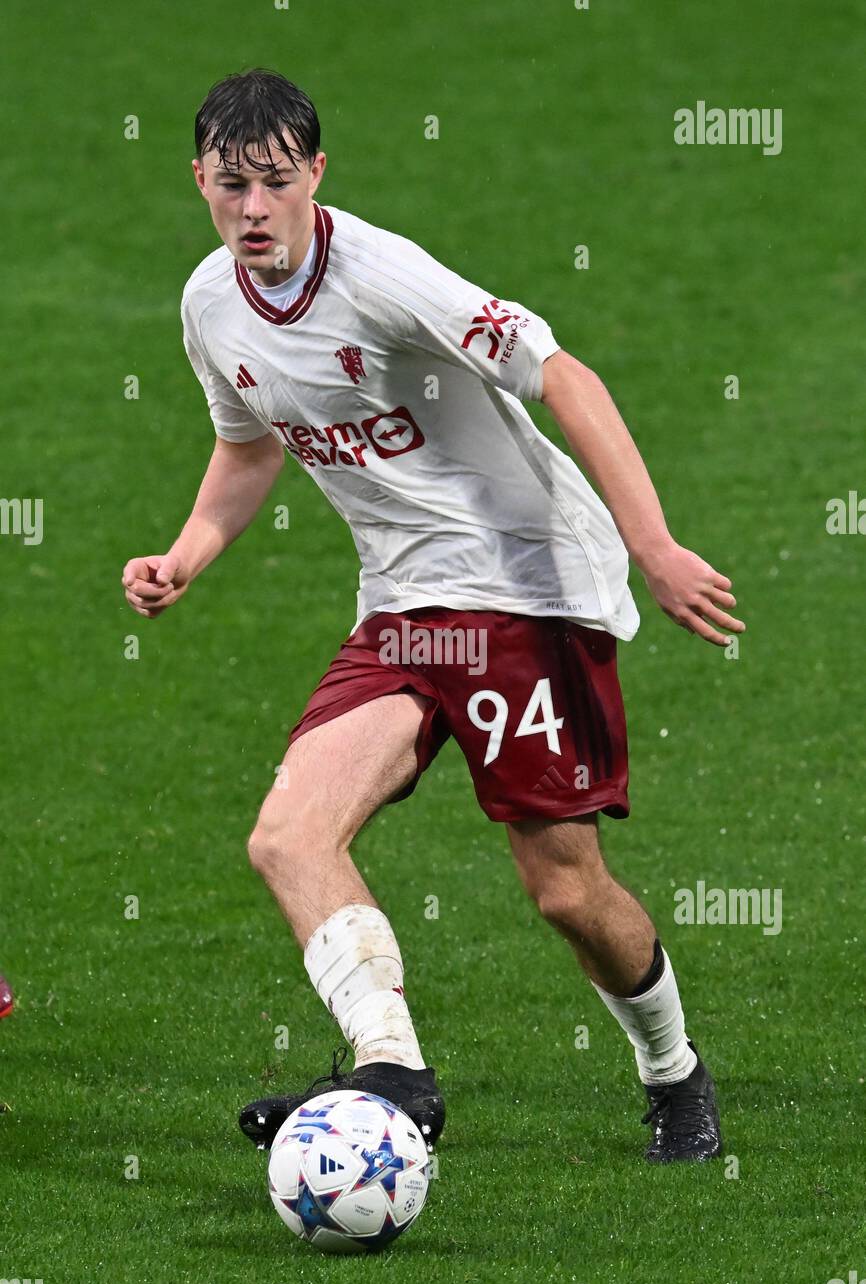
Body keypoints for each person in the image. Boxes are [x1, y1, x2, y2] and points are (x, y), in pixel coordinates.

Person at [122, 69, 744, 1163]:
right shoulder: (209, 305)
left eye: (274, 182)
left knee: (562, 889)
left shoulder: (381, 278)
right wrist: (186, 553)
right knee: (287, 835)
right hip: (404, 613)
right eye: (230, 184)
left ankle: (672, 1069)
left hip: (526, 591)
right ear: (199, 180)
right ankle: (389, 1070)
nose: (252, 208)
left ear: (315, 172)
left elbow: (562, 375)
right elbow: (251, 442)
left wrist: (653, 546)